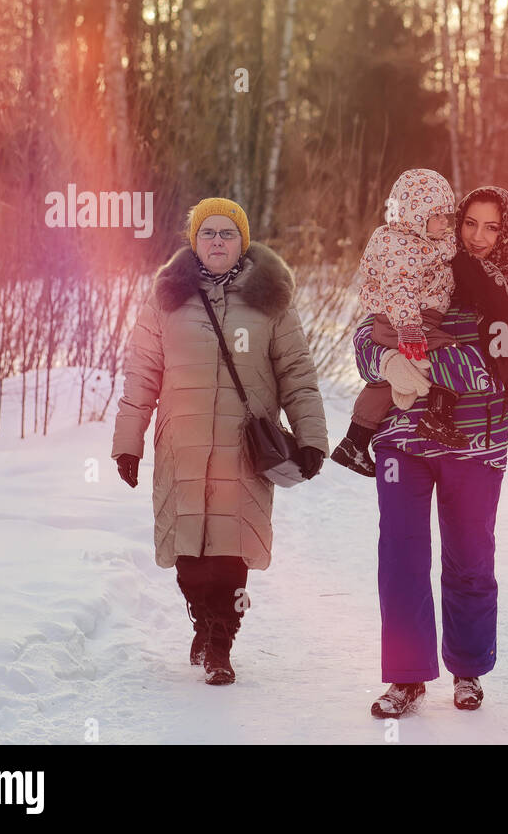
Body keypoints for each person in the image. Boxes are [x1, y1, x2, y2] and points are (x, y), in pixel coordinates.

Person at [111, 197, 329, 685]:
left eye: (226, 233)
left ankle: (220, 641)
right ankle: (202, 617)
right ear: (194, 241)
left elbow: (296, 372)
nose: (216, 241)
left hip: (241, 450)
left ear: (242, 242)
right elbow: (142, 373)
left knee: (231, 548)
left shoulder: (270, 300)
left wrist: (311, 437)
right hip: (181, 446)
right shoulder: (166, 300)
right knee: (189, 550)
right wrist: (129, 442)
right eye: (207, 232)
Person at [352, 185, 508, 717]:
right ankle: (406, 678)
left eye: (491, 227)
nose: (478, 238)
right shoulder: (420, 264)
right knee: (400, 559)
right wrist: (387, 363)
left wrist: (415, 361)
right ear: (453, 221)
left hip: (475, 445)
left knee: (469, 559)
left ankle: (468, 669)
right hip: (402, 440)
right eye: (469, 224)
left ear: (506, 231)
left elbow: (507, 359)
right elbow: (368, 339)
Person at [332, 168, 467, 479]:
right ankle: (438, 415)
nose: (444, 223)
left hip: (399, 320)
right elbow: (399, 287)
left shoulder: (421, 240)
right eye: (437, 216)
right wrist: (408, 328)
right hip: (404, 321)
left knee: (384, 382)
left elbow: (445, 250)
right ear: (416, 215)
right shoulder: (402, 246)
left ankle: (354, 440)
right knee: (448, 351)